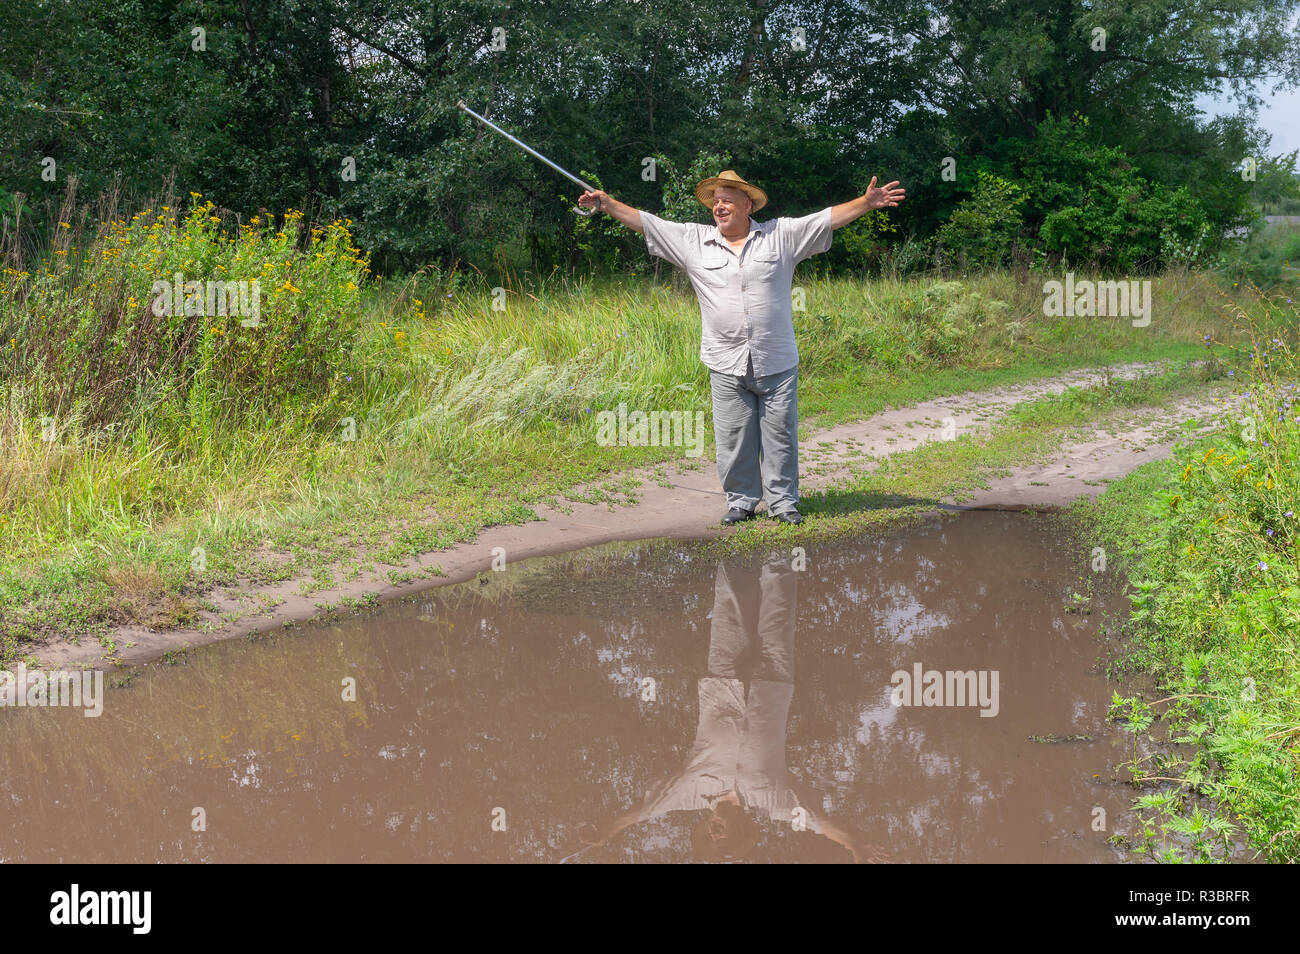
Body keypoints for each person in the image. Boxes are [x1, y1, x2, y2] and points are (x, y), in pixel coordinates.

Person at [578, 170, 906, 525]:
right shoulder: (693, 240)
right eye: (715, 200)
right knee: (733, 439)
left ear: (747, 204)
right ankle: (742, 501)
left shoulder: (780, 236)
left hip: (776, 360)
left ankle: (783, 503)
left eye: (727, 199)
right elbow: (647, 223)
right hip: (724, 361)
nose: (719, 206)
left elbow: (825, 218)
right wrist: (608, 204)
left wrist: (867, 203)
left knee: (780, 437)